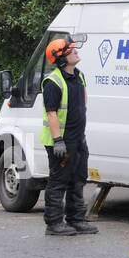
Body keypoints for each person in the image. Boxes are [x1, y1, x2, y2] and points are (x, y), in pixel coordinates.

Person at [40, 36, 97, 236]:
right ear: (61, 59)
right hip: (61, 142)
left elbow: (83, 99)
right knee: (59, 182)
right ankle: (54, 223)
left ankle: (77, 219)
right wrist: (58, 141)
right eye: (71, 50)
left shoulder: (78, 76)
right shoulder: (53, 82)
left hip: (77, 139)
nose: (76, 52)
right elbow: (51, 113)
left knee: (78, 179)